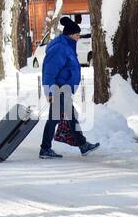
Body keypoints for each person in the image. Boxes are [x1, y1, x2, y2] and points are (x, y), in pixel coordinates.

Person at [39, 17, 100, 159]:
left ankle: (83, 145)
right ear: (70, 34)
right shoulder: (60, 48)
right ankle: (45, 148)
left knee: (70, 118)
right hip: (58, 89)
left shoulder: (67, 46)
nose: (79, 37)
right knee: (54, 119)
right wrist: (49, 91)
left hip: (63, 89)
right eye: (77, 35)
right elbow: (49, 71)